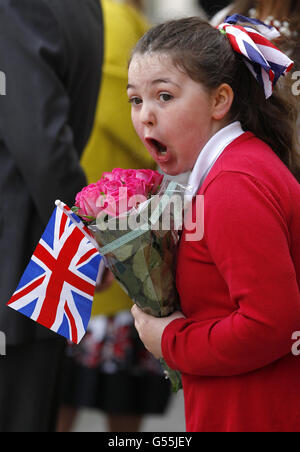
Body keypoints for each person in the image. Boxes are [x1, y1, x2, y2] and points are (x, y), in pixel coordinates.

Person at [129, 16, 300, 432]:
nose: (145, 117)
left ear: (219, 100)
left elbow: (272, 325)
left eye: (164, 96)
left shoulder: (233, 184)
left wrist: (170, 342)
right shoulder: (237, 166)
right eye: (135, 100)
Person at [57, 0, 171, 433]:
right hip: (113, 236)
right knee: (109, 396)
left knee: (67, 391)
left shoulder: (110, 15)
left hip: (96, 230)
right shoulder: (117, 18)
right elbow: (126, 119)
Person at [0, 0, 103, 432]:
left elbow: (41, 142)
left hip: (22, 249)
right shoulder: (87, 6)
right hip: (51, 248)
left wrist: (86, 235)